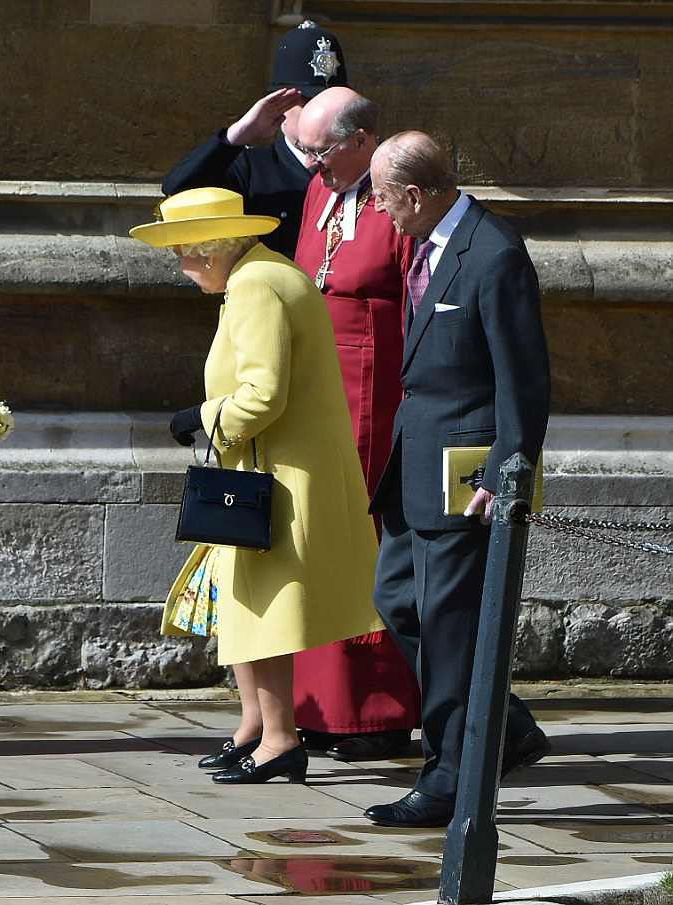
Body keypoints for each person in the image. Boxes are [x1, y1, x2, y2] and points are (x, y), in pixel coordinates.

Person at [130, 187, 383, 784]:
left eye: (183, 252)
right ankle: (253, 726)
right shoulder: (264, 272)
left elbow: (263, 394)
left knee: (258, 608)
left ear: (210, 248)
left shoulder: (254, 284)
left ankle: (278, 740)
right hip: (269, 468)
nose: (180, 265)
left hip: (271, 476)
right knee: (240, 603)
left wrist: (200, 417)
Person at [364, 131, 552, 827]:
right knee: (398, 600)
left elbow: (523, 380)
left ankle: (447, 774)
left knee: (448, 626)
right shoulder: (429, 239)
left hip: (462, 476)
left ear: (414, 195)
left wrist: (508, 474)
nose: (380, 214)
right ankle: (506, 727)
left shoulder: (494, 252)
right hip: (411, 467)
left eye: (384, 200)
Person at [290, 86, 422, 762]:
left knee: (367, 542)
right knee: (316, 541)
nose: (311, 164)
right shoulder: (322, 189)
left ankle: (378, 714)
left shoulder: (396, 196)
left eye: (321, 151)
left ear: (362, 140)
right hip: (317, 392)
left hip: (376, 397)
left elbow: (420, 305)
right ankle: (316, 707)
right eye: (306, 150)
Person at [162, 20, 347, 259]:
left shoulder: (357, 166)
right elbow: (178, 189)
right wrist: (238, 134)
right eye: (309, 104)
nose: (322, 116)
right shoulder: (252, 167)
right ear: (277, 104)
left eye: (332, 104)